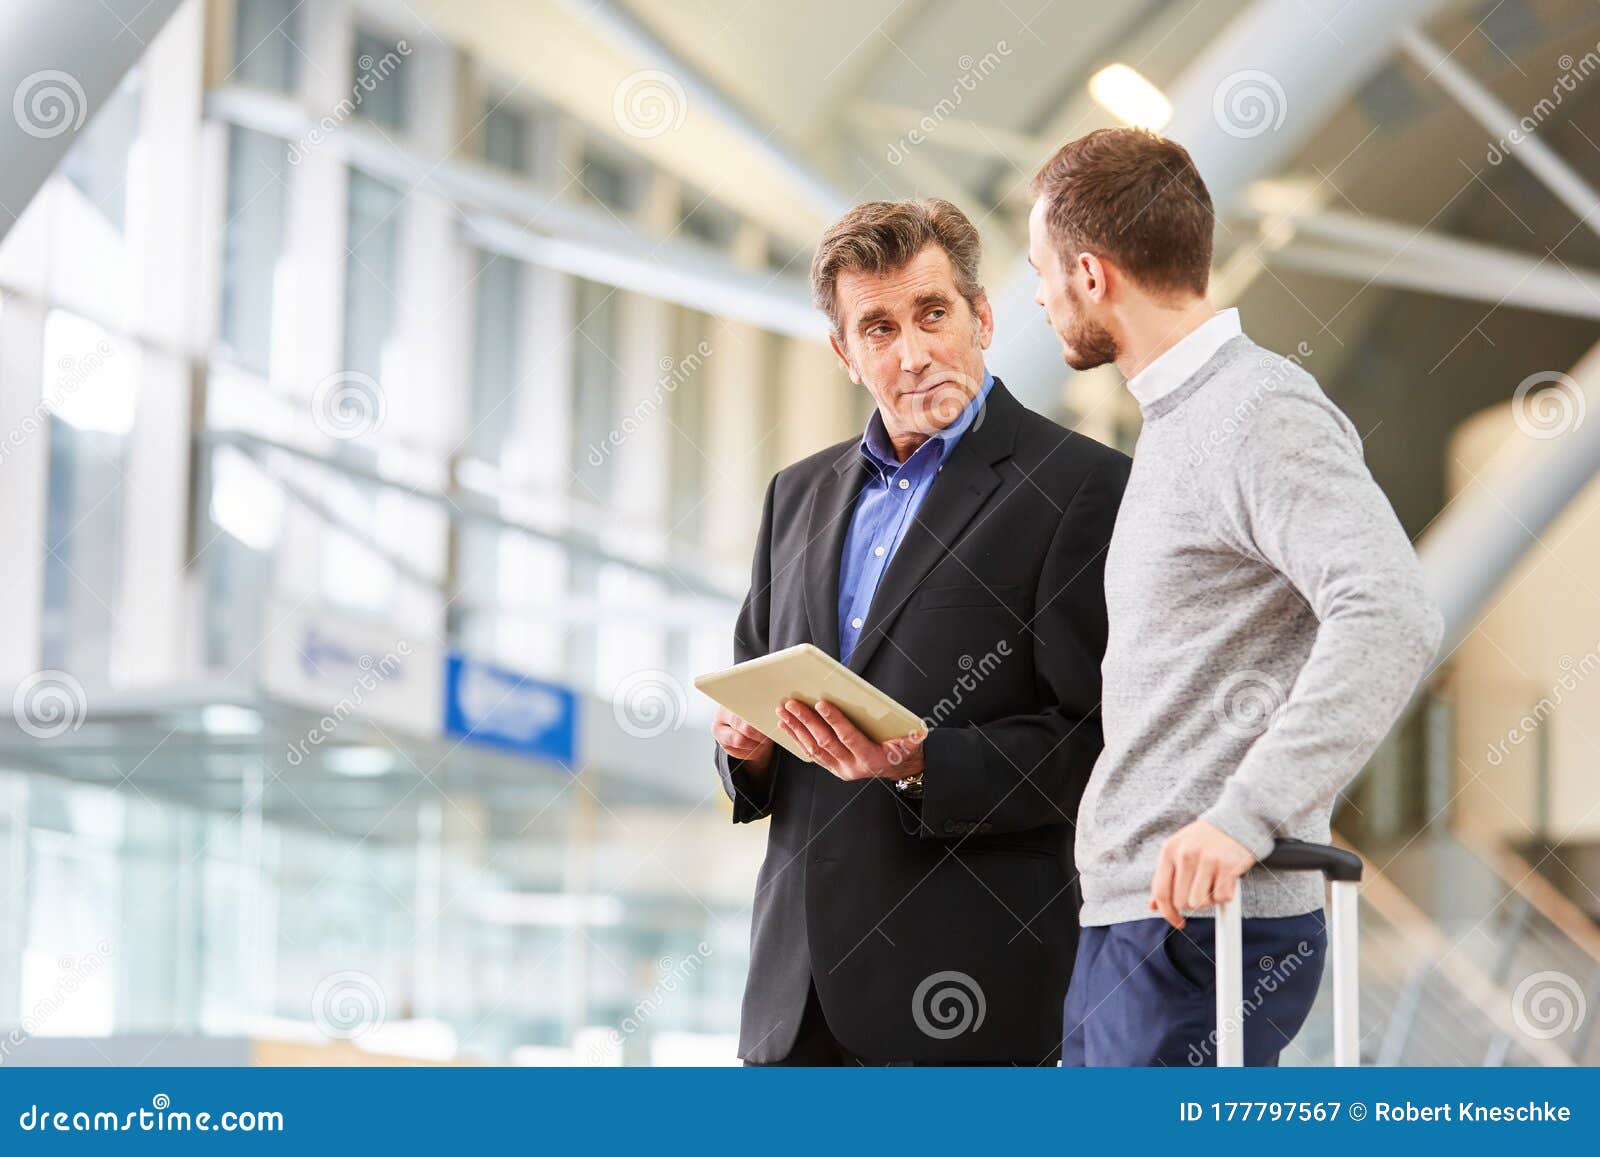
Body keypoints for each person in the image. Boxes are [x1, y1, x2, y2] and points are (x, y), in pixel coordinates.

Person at [1026, 128, 1443, 1066]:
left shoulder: (1257, 411)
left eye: (1041, 271)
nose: (1040, 297)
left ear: (1091, 275)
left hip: (1204, 925)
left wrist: (1246, 814)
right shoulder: (1178, 426)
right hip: (1137, 922)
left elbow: (1393, 609)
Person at [712, 198, 1129, 1064]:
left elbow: (1093, 742)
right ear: (844, 353)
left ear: (980, 316)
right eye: (878, 327)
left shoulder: (1079, 486)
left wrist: (918, 759)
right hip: (795, 1001)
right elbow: (754, 690)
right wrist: (743, 750)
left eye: (933, 313)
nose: (913, 353)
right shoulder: (795, 496)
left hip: (967, 999)